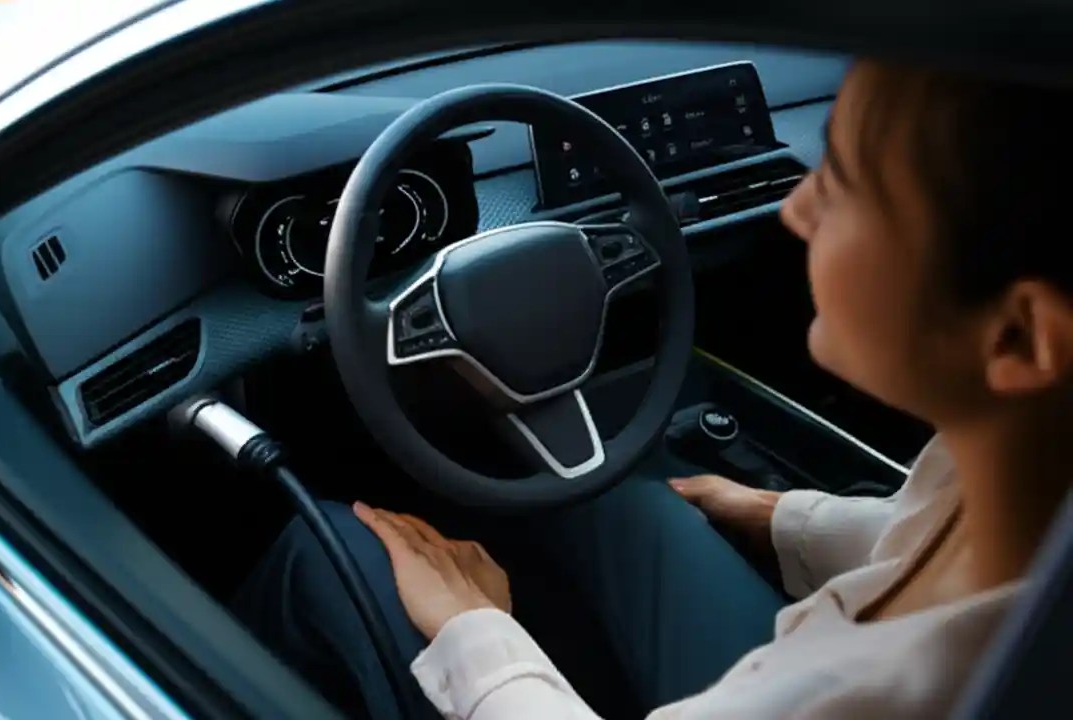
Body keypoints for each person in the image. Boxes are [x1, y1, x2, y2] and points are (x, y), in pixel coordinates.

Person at [233, 59, 1073, 718]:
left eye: (845, 179)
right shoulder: (1019, 482)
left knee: (331, 550)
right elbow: (953, 536)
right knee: (609, 499)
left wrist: (477, 635)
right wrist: (788, 518)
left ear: (1017, 338)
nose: (798, 208)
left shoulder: (875, 692)